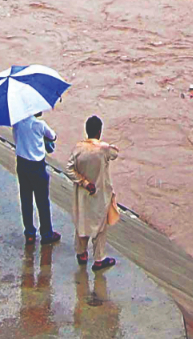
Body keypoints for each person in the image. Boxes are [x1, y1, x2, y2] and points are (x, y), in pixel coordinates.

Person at [66, 116, 120, 272]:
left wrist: (83, 182)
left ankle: (81, 253)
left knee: (82, 222)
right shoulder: (103, 149)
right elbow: (115, 152)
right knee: (100, 226)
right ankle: (99, 259)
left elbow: (69, 169)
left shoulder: (78, 148)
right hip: (99, 193)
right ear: (99, 131)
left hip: (82, 192)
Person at [13, 111, 61, 245]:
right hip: (37, 166)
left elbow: (16, 140)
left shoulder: (17, 123)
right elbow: (53, 136)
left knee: (26, 199)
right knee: (42, 201)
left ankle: (29, 232)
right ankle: (46, 233)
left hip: (22, 163)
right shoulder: (39, 124)